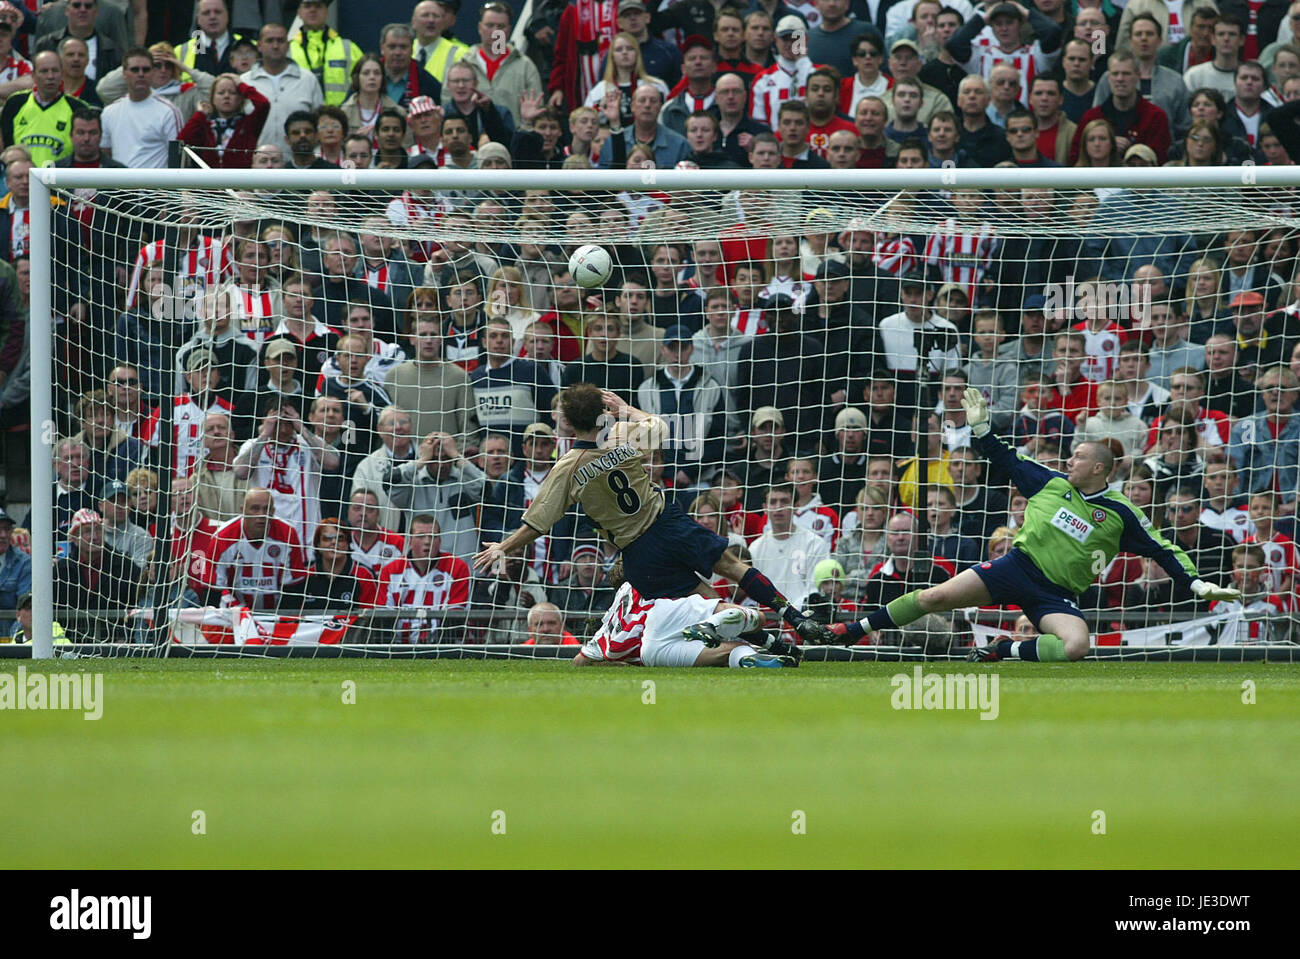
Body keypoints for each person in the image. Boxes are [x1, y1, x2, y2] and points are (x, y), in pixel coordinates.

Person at [831, 389, 1241, 661]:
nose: (1069, 461)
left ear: (1099, 467)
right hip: (1016, 567)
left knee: (1077, 646)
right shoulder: (1049, 482)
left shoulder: (1121, 512)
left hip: (1054, 594)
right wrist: (979, 426)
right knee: (932, 597)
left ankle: (1006, 649)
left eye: (1077, 456)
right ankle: (852, 629)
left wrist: (1196, 584)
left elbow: (1162, 550)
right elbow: (1005, 457)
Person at [474, 384, 834, 643]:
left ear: (566, 423)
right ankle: (795, 619)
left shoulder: (566, 468)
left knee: (708, 602)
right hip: (668, 521)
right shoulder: (621, 436)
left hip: (638, 550)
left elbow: (537, 522)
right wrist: (624, 408)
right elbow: (659, 427)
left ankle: (775, 646)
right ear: (601, 413)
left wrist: (503, 547)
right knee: (734, 567)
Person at [575, 575, 799, 667]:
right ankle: (713, 625)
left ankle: (750, 661)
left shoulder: (605, 630)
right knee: (756, 617)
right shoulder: (643, 579)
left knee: (731, 651)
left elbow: (579, 661)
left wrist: (616, 664)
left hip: (649, 653)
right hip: (660, 614)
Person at [242, 21, 323, 157]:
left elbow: (320, 123)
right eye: (270, 41)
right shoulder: (245, 82)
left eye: (280, 41)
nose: (275, 46)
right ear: (259, 46)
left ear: (288, 45)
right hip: (256, 165)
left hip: (298, 164)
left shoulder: (307, 79)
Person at [100, 46, 183, 168]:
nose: (140, 74)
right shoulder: (109, 111)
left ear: (152, 72)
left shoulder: (169, 111)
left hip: (155, 186)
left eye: (146, 69)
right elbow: (104, 154)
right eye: (134, 70)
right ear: (124, 73)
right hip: (119, 185)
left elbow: (178, 160)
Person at [0, 49, 86, 166]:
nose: (50, 76)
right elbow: (6, 147)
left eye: (55, 71)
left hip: (61, 181)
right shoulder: (15, 104)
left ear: (62, 74)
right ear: (33, 75)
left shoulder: (77, 108)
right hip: (23, 180)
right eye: (44, 71)